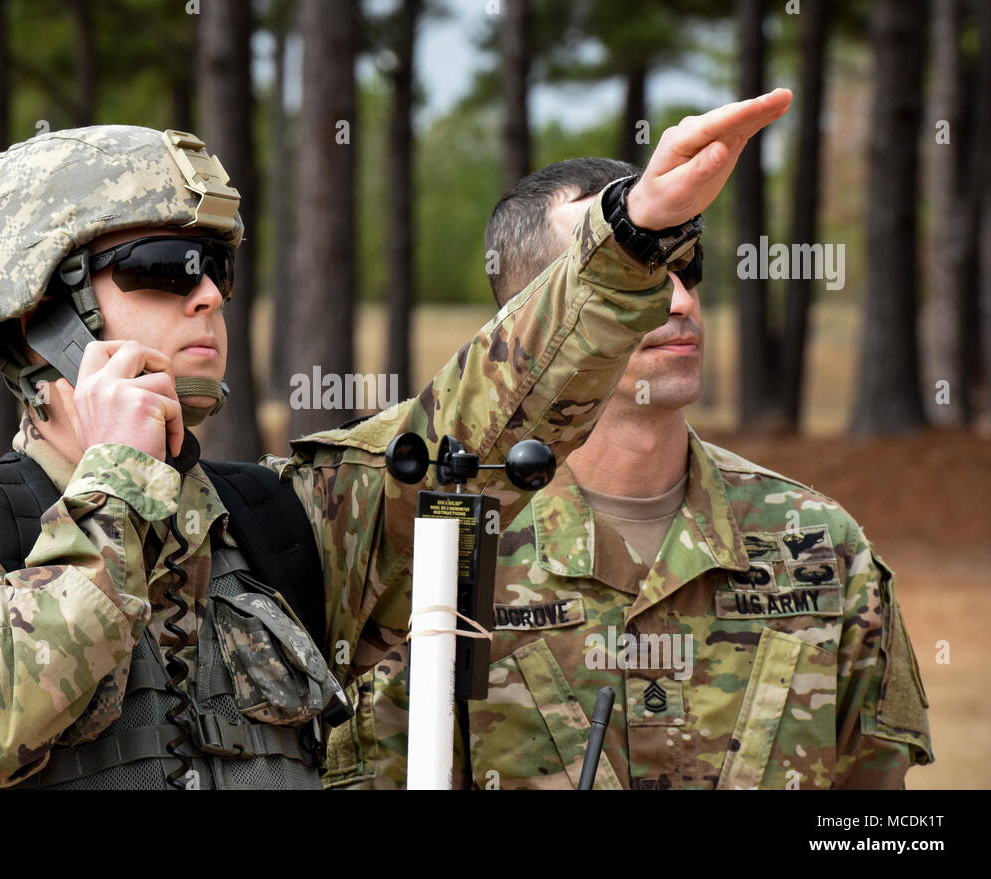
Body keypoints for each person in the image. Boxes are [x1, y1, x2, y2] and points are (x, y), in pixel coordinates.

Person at [0, 89, 791, 789]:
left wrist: (629, 238)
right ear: (42, 314)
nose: (207, 292)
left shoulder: (281, 529)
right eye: (161, 266)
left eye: (216, 267)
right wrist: (117, 486)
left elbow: (488, 415)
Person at [323, 156, 934, 790]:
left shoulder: (819, 543)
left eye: (685, 269)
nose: (679, 300)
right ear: (536, 319)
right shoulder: (437, 559)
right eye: (633, 276)